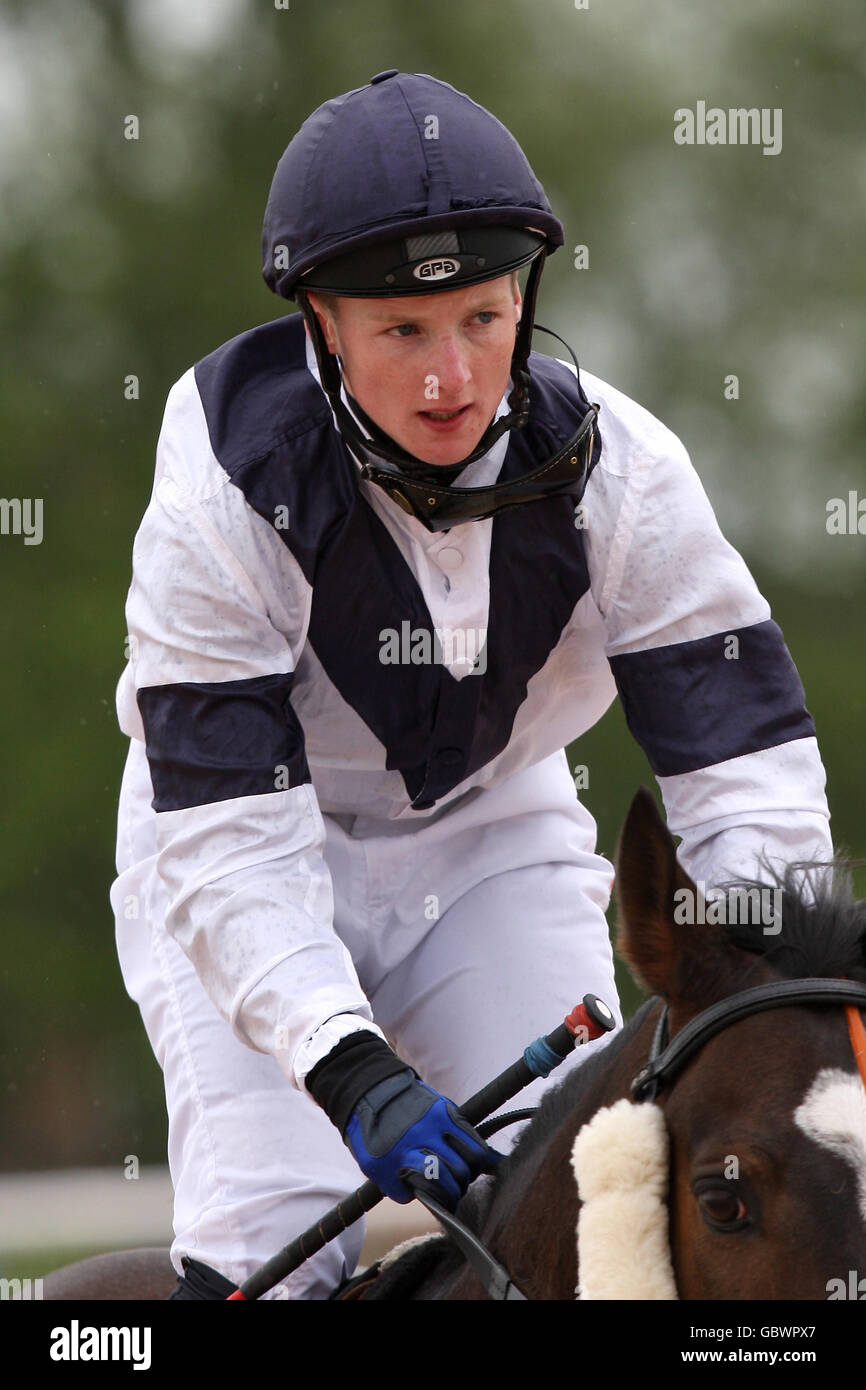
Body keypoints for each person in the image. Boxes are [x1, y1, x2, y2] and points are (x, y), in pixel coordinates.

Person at [110, 70, 833, 1300]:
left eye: (484, 319)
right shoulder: (218, 497)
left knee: (585, 1197)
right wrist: (349, 1068)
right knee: (272, 1257)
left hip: (492, 842)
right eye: (401, 331)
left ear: (523, 301)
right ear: (320, 325)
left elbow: (739, 768)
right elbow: (230, 846)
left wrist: (762, 976)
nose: (452, 379)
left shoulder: (623, 475)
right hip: (242, 863)